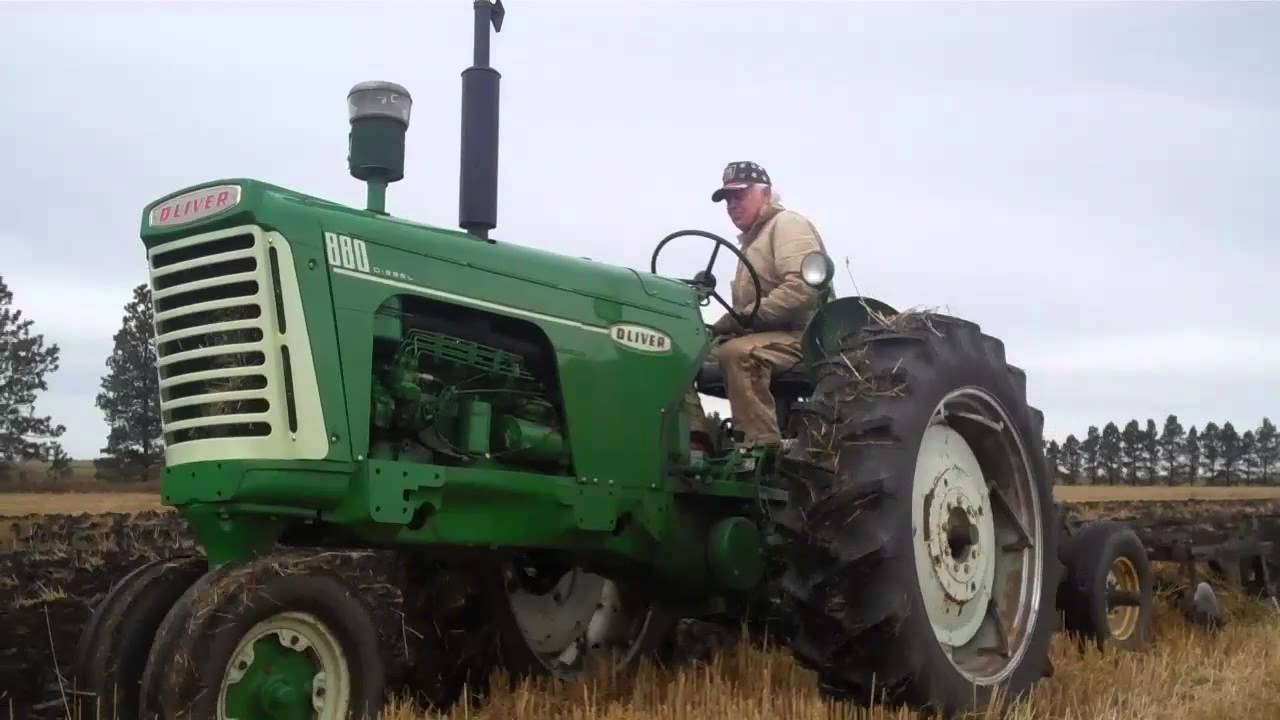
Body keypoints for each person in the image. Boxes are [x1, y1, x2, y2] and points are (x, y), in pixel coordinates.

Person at [684, 161, 829, 449]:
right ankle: (696, 442)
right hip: (765, 334)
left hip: (803, 337)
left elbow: (803, 289)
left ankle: (760, 451)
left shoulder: (787, 225)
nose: (732, 205)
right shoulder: (751, 242)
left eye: (740, 196)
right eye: (727, 199)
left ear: (765, 194)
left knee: (738, 354)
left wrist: (743, 318)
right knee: (679, 355)